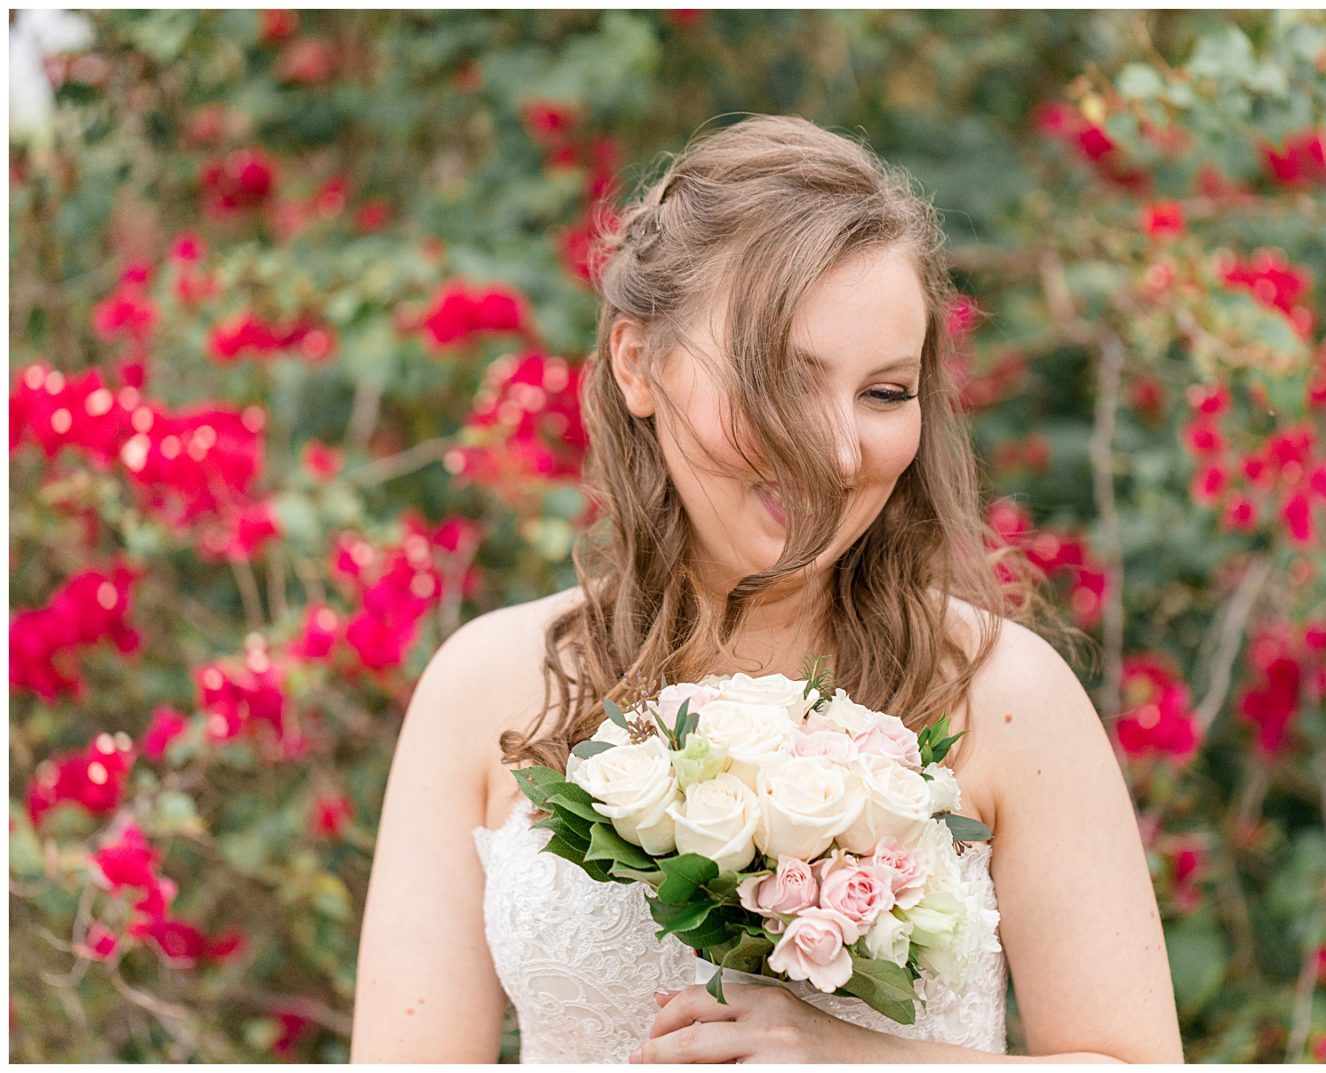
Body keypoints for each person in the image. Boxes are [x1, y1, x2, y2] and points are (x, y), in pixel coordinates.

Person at [351, 114, 1184, 1063]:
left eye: (883, 394)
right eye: (782, 379)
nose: (835, 452)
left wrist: (857, 1055)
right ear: (637, 363)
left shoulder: (1005, 696)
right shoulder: (486, 688)